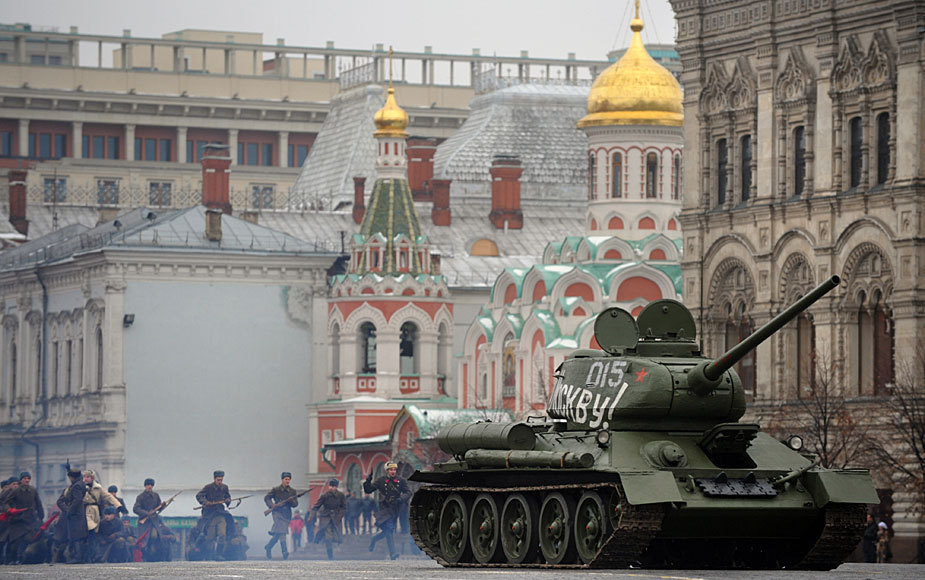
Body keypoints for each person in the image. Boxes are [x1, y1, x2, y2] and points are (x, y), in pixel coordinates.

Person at [364, 461, 410, 560]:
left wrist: (401, 498)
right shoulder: (381, 480)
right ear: (387, 471)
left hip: (396, 507)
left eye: (394, 469)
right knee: (389, 529)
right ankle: (392, 554)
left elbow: (408, 492)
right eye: (390, 470)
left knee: (388, 531)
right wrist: (368, 480)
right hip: (385, 508)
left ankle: (374, 539)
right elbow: (368, 490)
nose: (393, 471)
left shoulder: (401, 480)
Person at [81, 470, 122, 562]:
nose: (86, 478)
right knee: (89, 532)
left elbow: (108, 497)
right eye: (85, 477)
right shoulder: (80, 487)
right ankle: (86, 555)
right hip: (84, 511)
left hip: (95, 512)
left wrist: (118, 505)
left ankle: (94, 556)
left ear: (92, 478)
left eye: (88, 477)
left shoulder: (98, 488)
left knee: (94, 534)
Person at [3, 472, 44, 564]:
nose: (27, 480)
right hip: (18, 519)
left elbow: (38, 503)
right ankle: (12, 559)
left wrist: (41, 516)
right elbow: (6, 502)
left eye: (28, 478)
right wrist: (9, 510)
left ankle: (20, 555)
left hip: (30, 519)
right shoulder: (16, 491)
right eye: (25, 478)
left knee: (28, 538)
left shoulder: (33, 490)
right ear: (21, 480)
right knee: (15, 541)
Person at [133, 478, 176, 561]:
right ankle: (146, 552)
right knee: (144, 539)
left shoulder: (156, 496)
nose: (149, 486)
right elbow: (136, 509)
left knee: (155, 536)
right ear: (145, 486)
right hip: (145, 523)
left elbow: (159, 508)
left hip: (154, 522)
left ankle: (153, 552)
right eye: (148, 485)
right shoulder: (140, 497)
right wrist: (146, 513)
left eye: (151, 485)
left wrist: (163, 505)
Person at [195, 470, 232, 560]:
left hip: (220, 514)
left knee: (222, 535)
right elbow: (199, 495)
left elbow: (228, 497)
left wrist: (228, 501)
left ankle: (218, 554)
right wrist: (205, 502)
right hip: (210, 515)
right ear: (214, 479)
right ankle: (208, 555)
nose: (220, 482)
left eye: (221, 480)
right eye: (218, 480)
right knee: (209, 538)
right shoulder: (208, 487)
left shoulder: (225, 487)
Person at [264, 471, 297, 560]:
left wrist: (291, 501)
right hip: (277, 513)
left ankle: (268, 547)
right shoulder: (276, 489)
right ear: (282, 479)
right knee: (282, 531)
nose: (287, 481)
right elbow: (267, 498)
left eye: (289, 479)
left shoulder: (292, 491)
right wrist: (271, 505)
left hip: (286, 514)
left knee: (278, 534)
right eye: (286, 479)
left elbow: (295, 504)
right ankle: (284, 551)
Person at [311, 478, 346, 560]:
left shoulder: (341, 495)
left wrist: (339, 516)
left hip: (336, 518)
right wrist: (312, 514)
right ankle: (330, 556)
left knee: (337, 538)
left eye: (333, 486)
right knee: (328, 538)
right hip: (326, 517)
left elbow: (344, 508)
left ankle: (332, 549)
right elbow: (316, 506)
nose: (331, 488)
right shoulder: (324, 495)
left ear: (336, 487)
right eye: (330, 486)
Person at [59, 469, 89, 564]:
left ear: (72, 477)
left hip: (76, 514)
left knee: (76, 536)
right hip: (78, 513)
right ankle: (79, 557)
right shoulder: (80, 483)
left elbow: (77, 500)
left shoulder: (76, 486)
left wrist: (69, 511)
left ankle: (78, 557)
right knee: (78, 536)